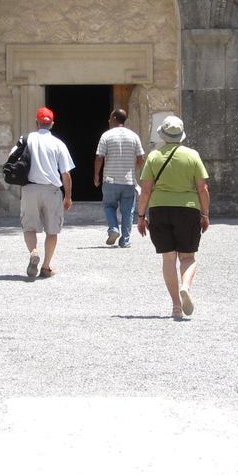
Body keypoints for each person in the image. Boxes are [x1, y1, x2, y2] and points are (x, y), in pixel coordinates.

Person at [136, 114, 210, 319]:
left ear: (163, 135)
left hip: (160, 209)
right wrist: (205, 214)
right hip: (188, 208)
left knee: (168, 258)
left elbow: (145, 191)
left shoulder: (153, 156)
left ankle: (176, 306)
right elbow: (203, 189)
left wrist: (141, 216)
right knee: (187, 257)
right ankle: (185, 286)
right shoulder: (192, 155)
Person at [21, 106, 74, 280]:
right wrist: (67, 196)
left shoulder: (26, 139)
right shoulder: (58, 143)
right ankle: (45, 267)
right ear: (52, 124)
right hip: (52, 190)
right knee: (52, 231)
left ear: (37, 122)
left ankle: (33, 252)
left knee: (29, 227)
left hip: (30, 188)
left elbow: (10, 159)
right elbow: (65, 173)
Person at [93, 108, 145, 248]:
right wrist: (135, 171)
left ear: (115, 118)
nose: (109, 120)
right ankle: (125, 240)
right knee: (128, 211)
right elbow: (141, 158)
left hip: (110, 179)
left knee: (109, 206)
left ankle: (114, 229)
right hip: (128, 181)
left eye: (110, 118)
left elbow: (99, 157)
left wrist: (96, 175)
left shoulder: (106, 136)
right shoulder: (134, 136)